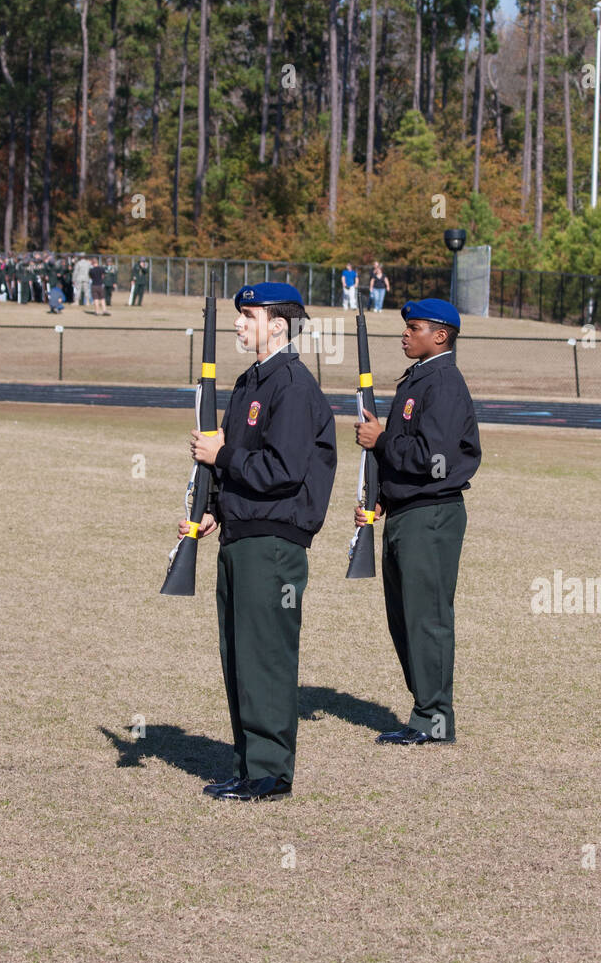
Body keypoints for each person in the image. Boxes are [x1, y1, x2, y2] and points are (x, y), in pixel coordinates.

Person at [181, 282, 337, 802]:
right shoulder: (253, 380)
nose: (238, 323)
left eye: (248, 314)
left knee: (265, 654)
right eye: (239, 315)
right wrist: (210, 512)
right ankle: (250, 765)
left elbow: (283, 470)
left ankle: (270, 772)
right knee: (239, 654)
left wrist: (218, 457)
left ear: (278, 323)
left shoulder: (291, 385)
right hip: (242, 533)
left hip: (273, 539)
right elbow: (238, 465)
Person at [354, 298, 481, 746]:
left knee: (426, 617)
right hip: (409, 511)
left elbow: (436, 460)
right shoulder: (420, 379)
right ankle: (424, 710)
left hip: (431, 515)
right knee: (405, 618)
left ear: (441, 335)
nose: (405, 334)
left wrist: (382, 440)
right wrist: (384, 497)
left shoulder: (442, 382)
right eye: (406, 327)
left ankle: (434, 719)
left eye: (415, 327)